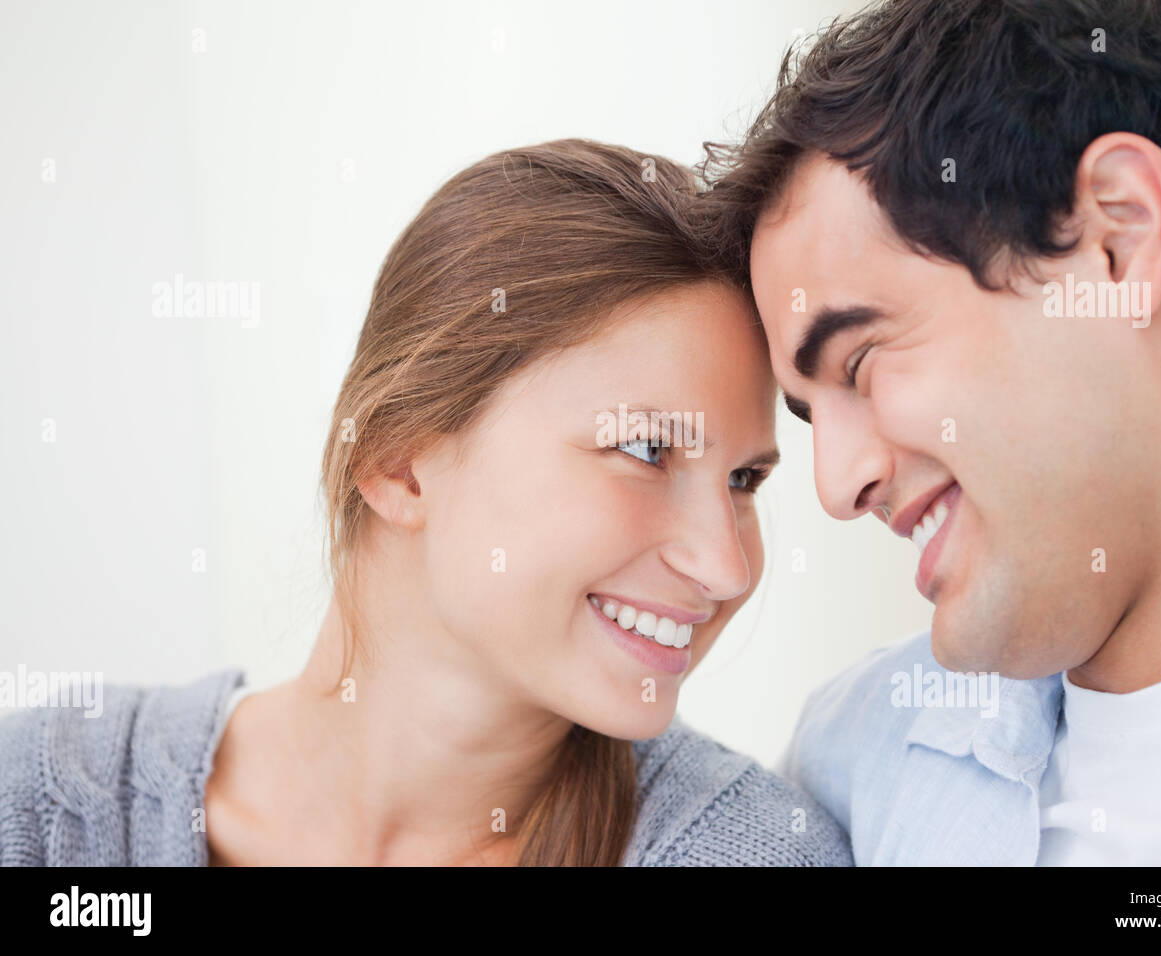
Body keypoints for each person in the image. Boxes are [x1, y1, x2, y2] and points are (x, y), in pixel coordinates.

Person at [0, 139, 851, 867]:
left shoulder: (751, 850)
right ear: (399, 463)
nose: (725, 565)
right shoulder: (46, 807)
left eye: (745, 480)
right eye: (643, 449)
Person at [701, 0, 1161, 865]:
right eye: (805, 415)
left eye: (861, 361)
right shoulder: (850, 769)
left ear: (1117, 243)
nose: (838, 487)